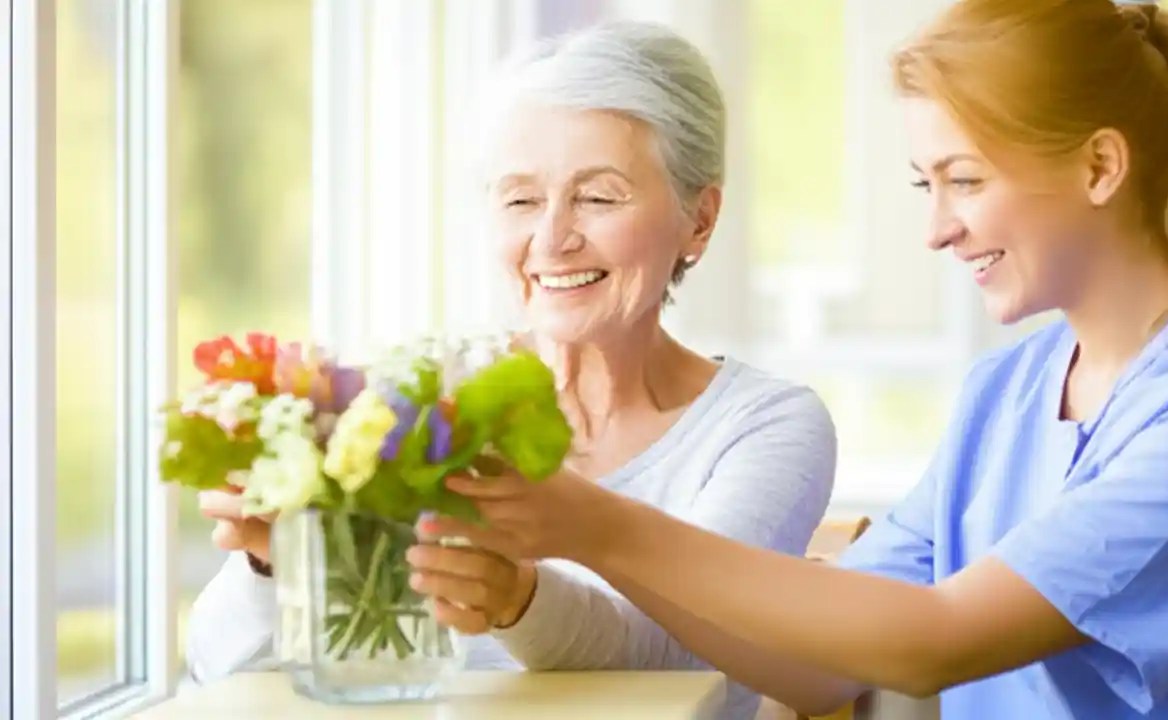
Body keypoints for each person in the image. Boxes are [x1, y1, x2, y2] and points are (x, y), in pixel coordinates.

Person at [408, 2, 1168, 718]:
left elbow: (934, 641)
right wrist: (586, 546)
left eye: (965, 180)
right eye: (923, 185)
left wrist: (594, 524)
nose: (937, 227)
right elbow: (823, 669)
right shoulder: (1006, 392)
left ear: (1099, 166)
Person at [185, 21, 837, 720]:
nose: (552, 240)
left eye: (599, 196)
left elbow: (691, 656)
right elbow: (220, 667)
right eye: (522, 200)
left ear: (699, 220)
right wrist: (277, 566)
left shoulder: (765, 427)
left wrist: (517, 598)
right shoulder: (418, 396)